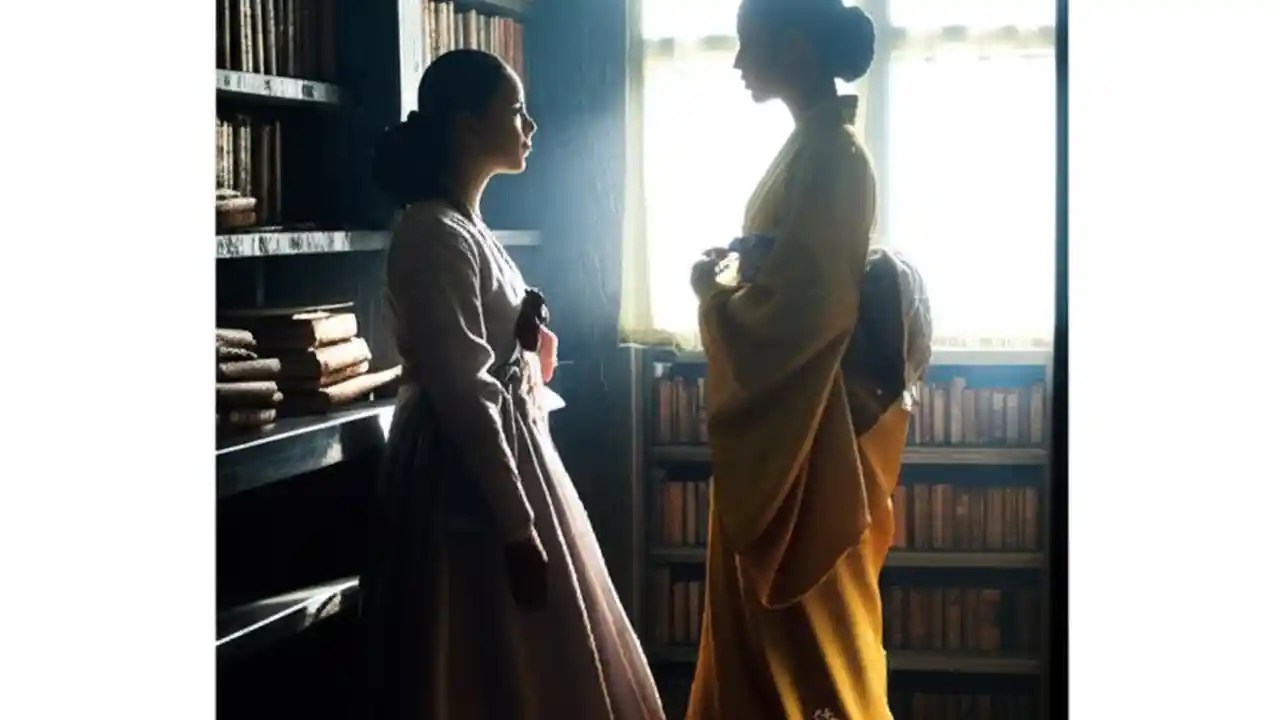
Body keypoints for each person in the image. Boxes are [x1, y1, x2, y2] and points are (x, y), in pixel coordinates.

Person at [362, 49, 665, 720]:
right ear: (469, 123)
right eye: (516, 110)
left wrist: (524, 337)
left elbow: (495, 364)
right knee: (480, 653)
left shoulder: (465, 226)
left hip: (509, 447)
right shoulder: (432, 232)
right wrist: (518, 526)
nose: (530, 125)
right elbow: (465, 390)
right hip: (462, 471)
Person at [686, 2, 931, 719]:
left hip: (808, 437)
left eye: (746, 45)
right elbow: (792, 282)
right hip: (790, 422)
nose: (736, 64)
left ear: (792, 46)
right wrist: (741, 274)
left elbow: (811, 309)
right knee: (771, 639)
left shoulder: (836, 157)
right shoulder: (813, 147)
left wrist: (715, 294)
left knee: (811, 631)